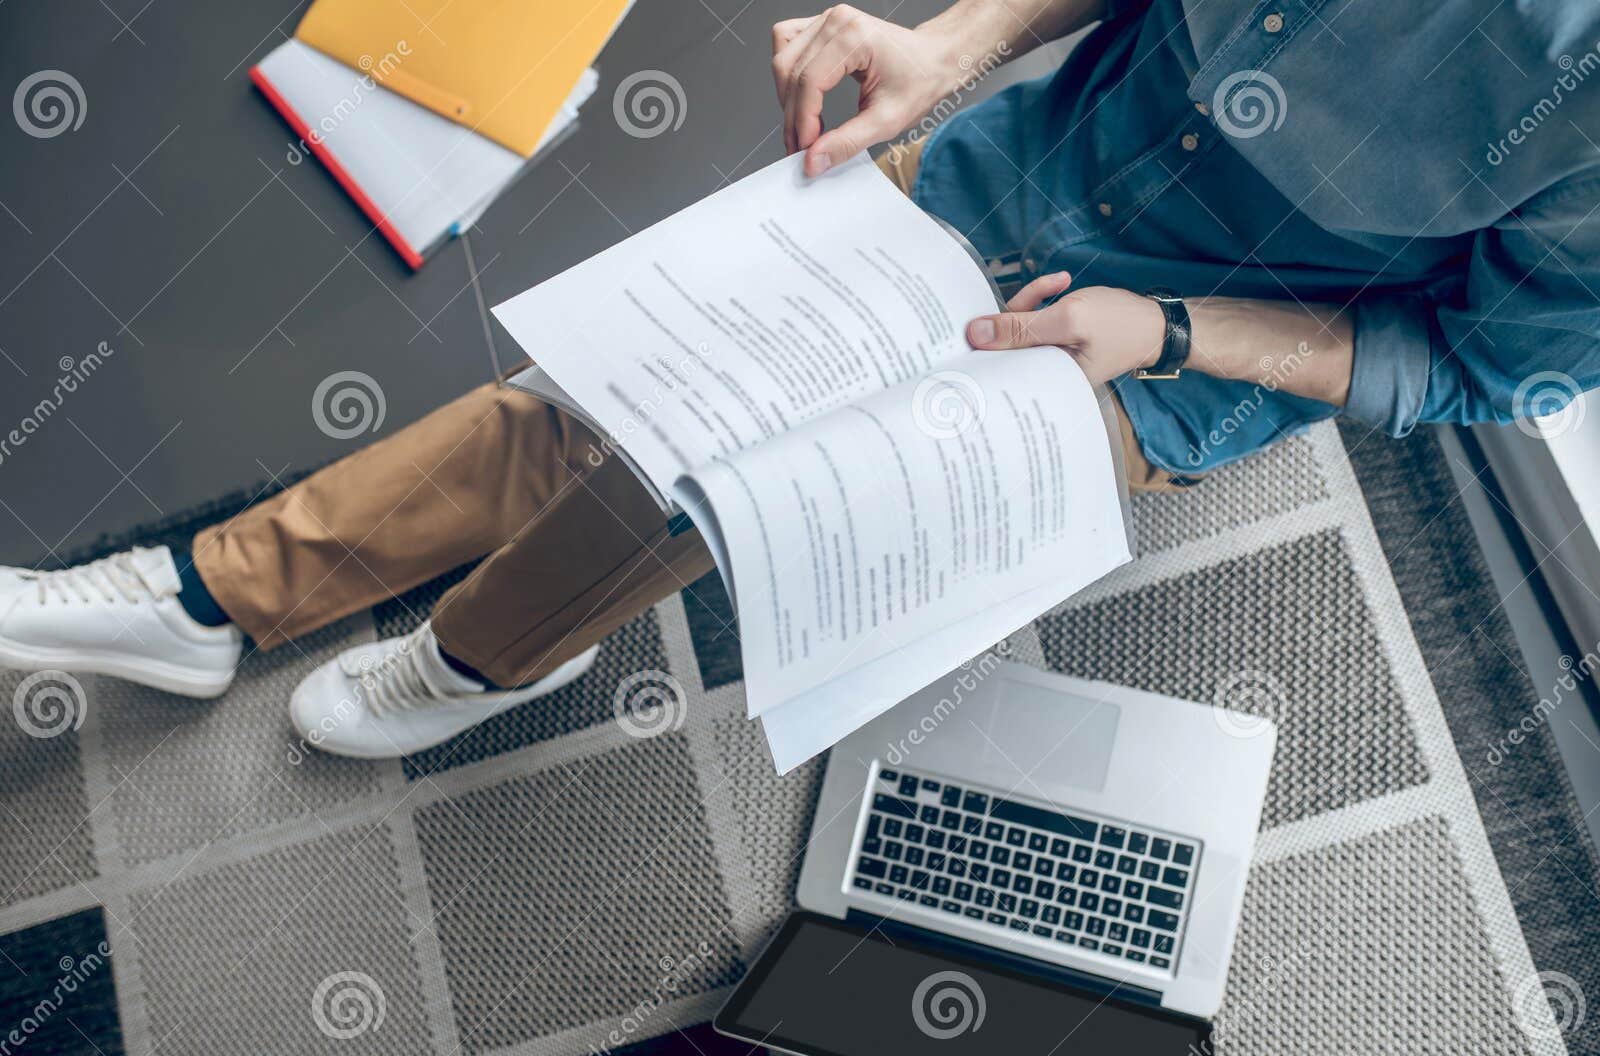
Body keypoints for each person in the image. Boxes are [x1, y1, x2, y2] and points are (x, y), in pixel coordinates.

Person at [4, 0, 1596, 758]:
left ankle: (484, 651)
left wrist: (1166, 334)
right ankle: (211, 601)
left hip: (1198, 340)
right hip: (1030, 162)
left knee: (739, 478)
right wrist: (953, 46)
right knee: (637, 378)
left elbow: (1474, 370)